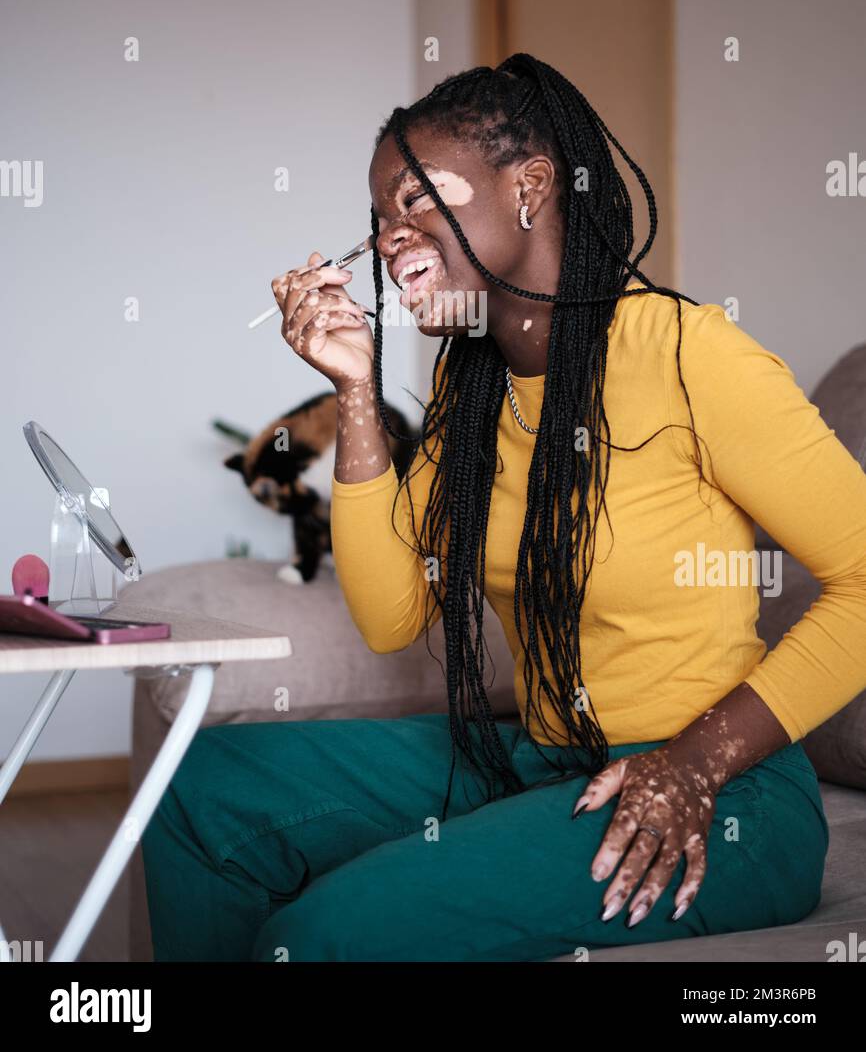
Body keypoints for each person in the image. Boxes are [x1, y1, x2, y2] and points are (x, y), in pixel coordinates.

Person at [142, 54, 866, 962]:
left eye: (417, 201)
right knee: (205, 787)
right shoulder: (476, 399)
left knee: (326, 936)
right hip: (546, 758)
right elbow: (389, 613)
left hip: (726, 793)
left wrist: (692, 764)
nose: (388, 238)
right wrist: (356, 393)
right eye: (377, 218)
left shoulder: (688, 355)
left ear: (529, 188)